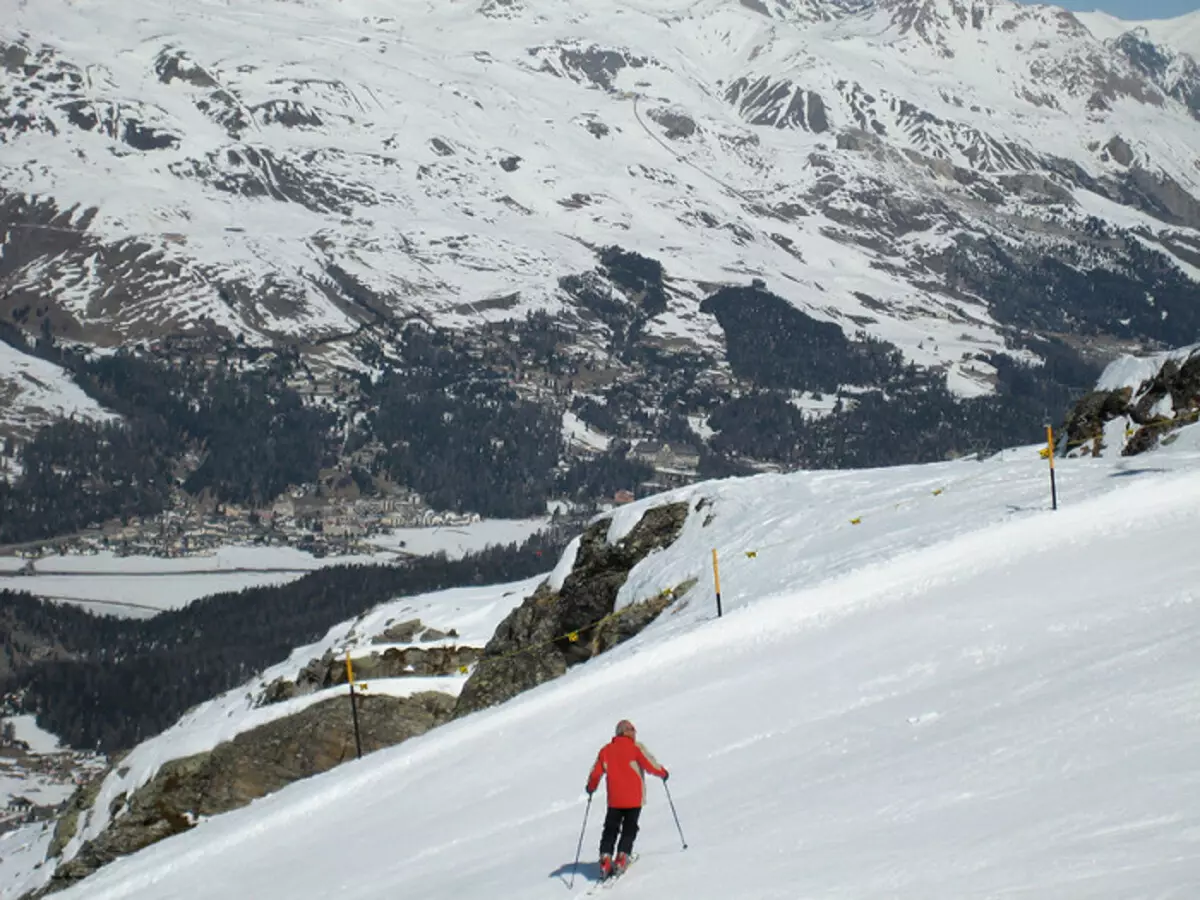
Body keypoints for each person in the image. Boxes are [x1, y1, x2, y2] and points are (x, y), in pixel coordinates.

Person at [586, 719, 669, 877]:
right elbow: (650, 764)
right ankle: (623, 855)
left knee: (610, 828)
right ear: (625, 732)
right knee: (629, 828)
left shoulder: (606, 750)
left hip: (615, 799)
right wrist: (663, 773)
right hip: (634, 798)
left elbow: (596, 773)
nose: (634, 733)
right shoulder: (636, 748)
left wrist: (591, 787)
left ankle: (605, 856)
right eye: (631, 730)